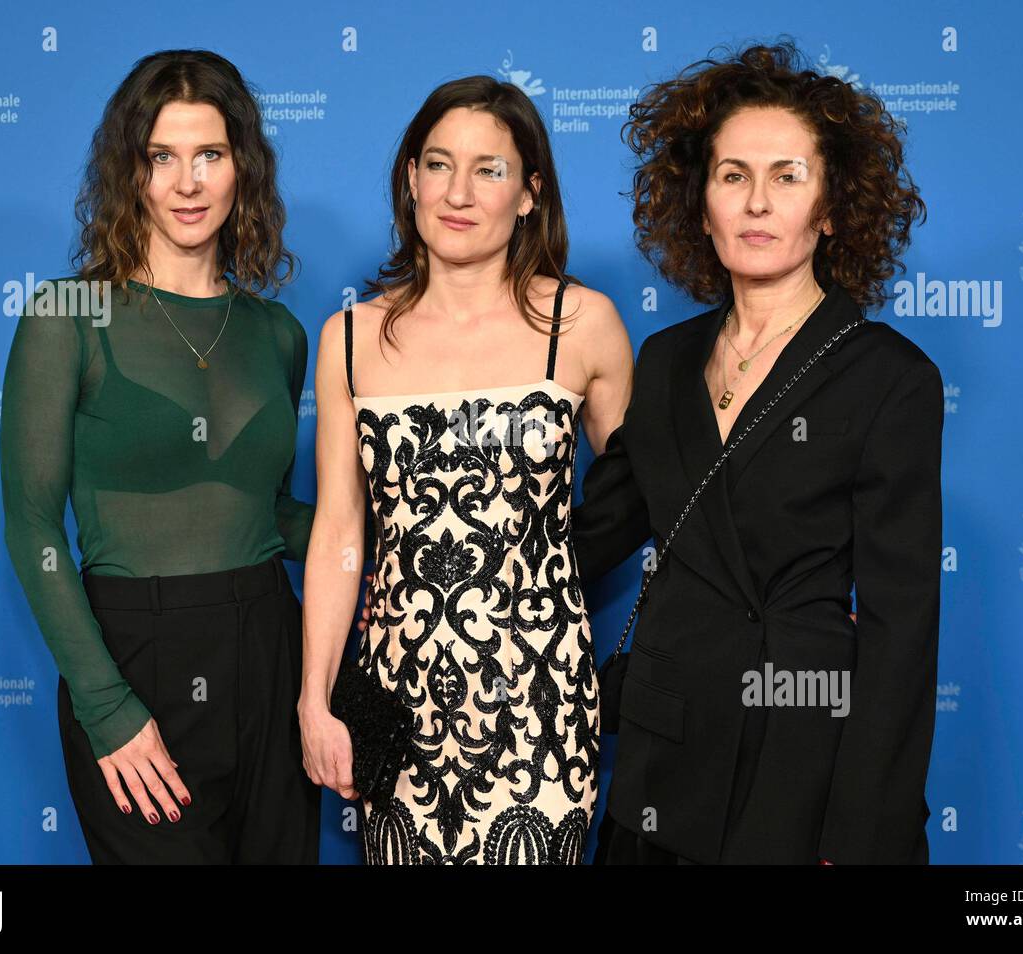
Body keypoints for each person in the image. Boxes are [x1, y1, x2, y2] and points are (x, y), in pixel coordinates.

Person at [572, 40, 943, 864]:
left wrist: (861, 831)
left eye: (787, 176)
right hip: (663, 763)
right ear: (700, 206)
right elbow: (592, 538)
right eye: (733, 176)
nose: (757, 203)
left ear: (833, 207)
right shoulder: (666, 361)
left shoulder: (891, 379)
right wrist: (431, 580)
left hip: (801, 765)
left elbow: (899, 635)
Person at [299, 75, 633, 864]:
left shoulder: (582, 325)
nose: (459, 192)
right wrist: (315, 700)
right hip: (399, 703)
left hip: (541, 703)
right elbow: (340, 529)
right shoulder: (347, 337)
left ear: (529, 193)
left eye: (489, 169)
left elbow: (644, 500)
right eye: (438, 164)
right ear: (410, 178)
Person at [0, 49, 319, 863]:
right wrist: (106, 706)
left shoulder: (276, 332)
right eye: (161, 157)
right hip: (135, 657)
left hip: (271, 654)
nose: (187, 182)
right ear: (128, 171)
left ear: (240, 167)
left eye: (209, 155)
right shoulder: (67, 315)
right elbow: (33, 524)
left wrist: (385, 551)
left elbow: (267, 509)